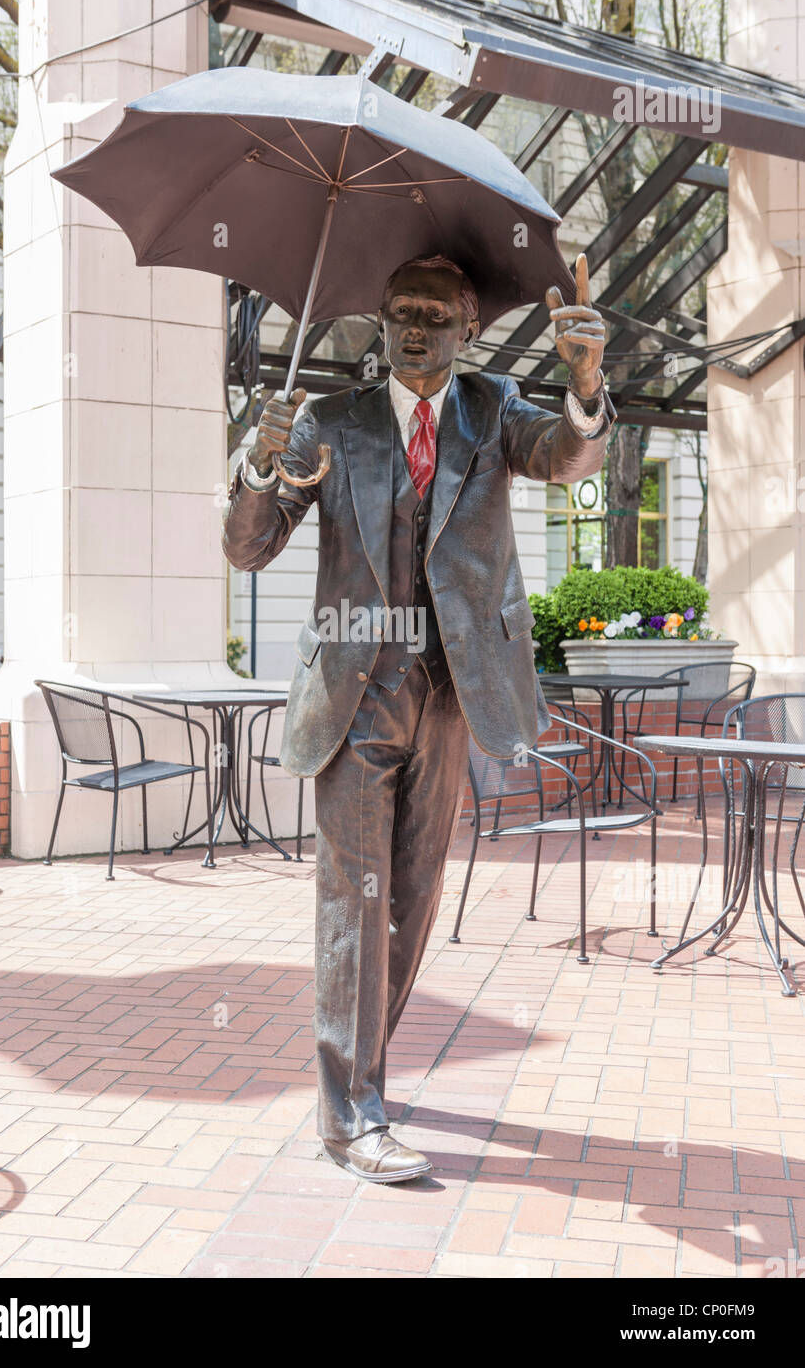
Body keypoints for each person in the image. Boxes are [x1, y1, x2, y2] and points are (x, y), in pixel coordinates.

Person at [222, 251, 613, 1183]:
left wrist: (587, 384)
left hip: (447, 694)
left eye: (436, 314)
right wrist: (257, 463)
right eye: (400, 310)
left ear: (468, 325)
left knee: (410, 903)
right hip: (355, 693)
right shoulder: (327, 422)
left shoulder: (495, 409)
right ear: (380, 318)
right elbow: (247, 550)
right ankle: (350, 1113)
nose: (415, 326)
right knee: (352, 906)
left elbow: (568, 457)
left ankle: (364, 1068)